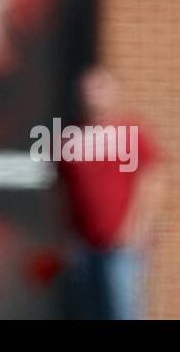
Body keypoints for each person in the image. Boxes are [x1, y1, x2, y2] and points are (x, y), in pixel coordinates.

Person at [56, 67, 163, 320]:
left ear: (114, 93)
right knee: (90, 312)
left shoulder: (129, 134)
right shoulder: (70, 138)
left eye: (101, 90)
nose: (94, 96)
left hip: (122, 247)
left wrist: (138, 227)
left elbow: (152, 179)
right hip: (84, 247)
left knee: (123, 312)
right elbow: (59, 190)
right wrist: (63, 236)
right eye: (89, 91)